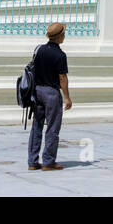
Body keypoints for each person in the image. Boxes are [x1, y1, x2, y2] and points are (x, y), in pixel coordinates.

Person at [28, 22, 72, 172]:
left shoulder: (39, 49)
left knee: (37, 126)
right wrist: (67, 97)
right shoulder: (60, 55)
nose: (64, 36)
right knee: (52, 128)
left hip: (37, 90)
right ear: (59, 36)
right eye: (64, 34)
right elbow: (62, 78)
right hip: (51, 93)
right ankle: (48, 161)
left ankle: (33, 161)